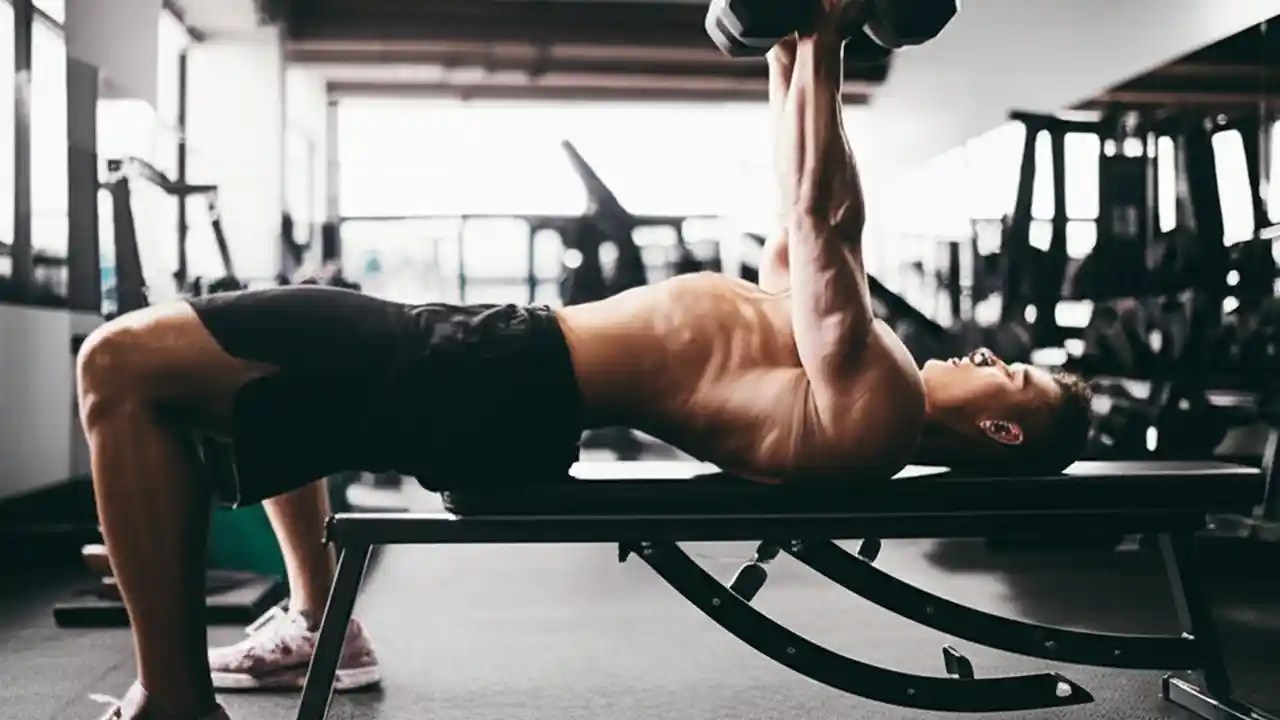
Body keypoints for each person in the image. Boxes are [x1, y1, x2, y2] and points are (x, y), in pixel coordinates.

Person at [81, 3, 1091, 717]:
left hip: (491, 377)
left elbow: (826, 224)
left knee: (121, 361)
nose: (981, 355)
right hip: (499, 373)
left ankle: (174, 702)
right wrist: (790, 54)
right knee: (225, 382)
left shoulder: (880, 406)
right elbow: (795, 219)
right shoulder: (855, 382)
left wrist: (828, 31)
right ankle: (319, 621)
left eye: (1011, 376)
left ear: (999, 427)